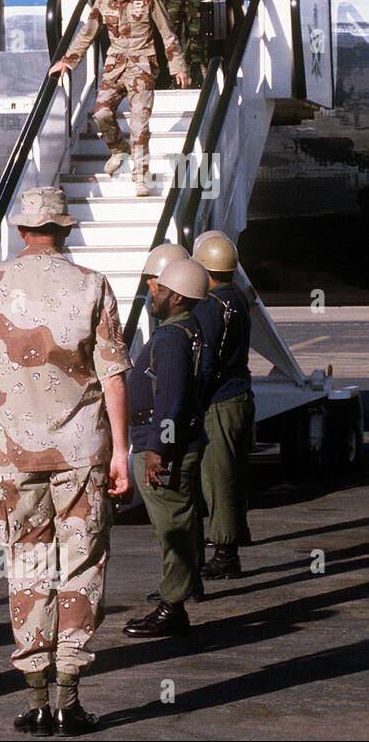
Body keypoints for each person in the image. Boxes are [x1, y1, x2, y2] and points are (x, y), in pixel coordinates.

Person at [0, 188, 131, 737]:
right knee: (80, 568)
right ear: (64, 230)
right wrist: (121, 450)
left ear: (21, 231)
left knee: (28, 567)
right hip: (81, 449)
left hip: (13, 450)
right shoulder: (92, 285)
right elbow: (112, 376)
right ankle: (70, 700)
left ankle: (35, 700)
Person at [49, 0, 190, 195]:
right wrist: (67, 61)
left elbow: (167, 33)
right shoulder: (103, 1)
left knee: (139, 125)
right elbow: (87, 34)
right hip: (114, 68)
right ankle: (118, 150)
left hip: (142, 67)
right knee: (101, 114)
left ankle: (141, 176)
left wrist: (178, 66)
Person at [124, 258, 211, 638]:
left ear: (175, 297)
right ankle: (183, 587)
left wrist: (159, 448)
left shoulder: (172, 338)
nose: (151, 294)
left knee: (172, 525)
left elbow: (171, 399)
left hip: (164, 444)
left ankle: (172, 607)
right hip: (178, 439)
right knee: (182, 519)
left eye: (157, 289)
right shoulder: (189, 329)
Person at [192, 232, 253, 577]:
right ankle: (233, 539)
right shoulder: (238, 298)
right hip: (240, 395)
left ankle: (226, 554)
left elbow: (207, 361)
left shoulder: (211, 305)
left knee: (218, 480)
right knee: (232, 475)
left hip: (219, 402)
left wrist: (192, 400)